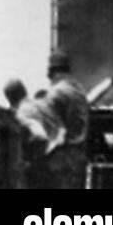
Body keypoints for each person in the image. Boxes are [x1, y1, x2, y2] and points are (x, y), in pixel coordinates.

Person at [36, 51, 90, 189]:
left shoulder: (55, 93)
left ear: (51, 71)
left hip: (60, 158)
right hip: (78, 157)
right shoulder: (79, 92)